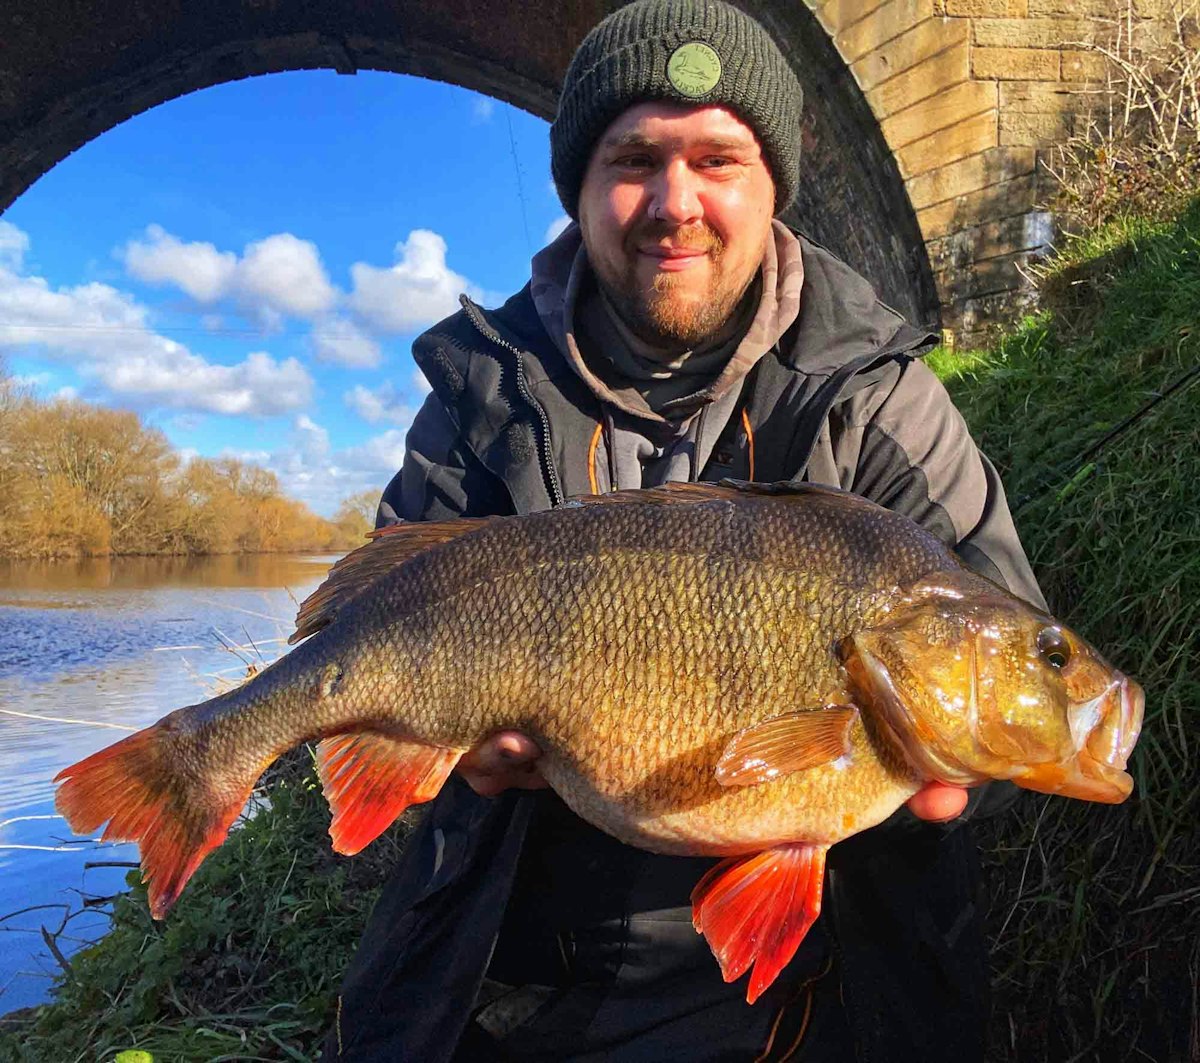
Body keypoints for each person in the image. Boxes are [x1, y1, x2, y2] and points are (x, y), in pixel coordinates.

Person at [324, 1, 1044, 1059]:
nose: (675, 201)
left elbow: (1004, 645)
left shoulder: (881, 397)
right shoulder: (480, 388)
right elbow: (376, 613)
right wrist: (448, 746)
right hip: (511, 943)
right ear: (578, 184)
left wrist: (960, 758)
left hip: (832, 956)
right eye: (634, 159)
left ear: (774, 187)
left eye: (718, 159)